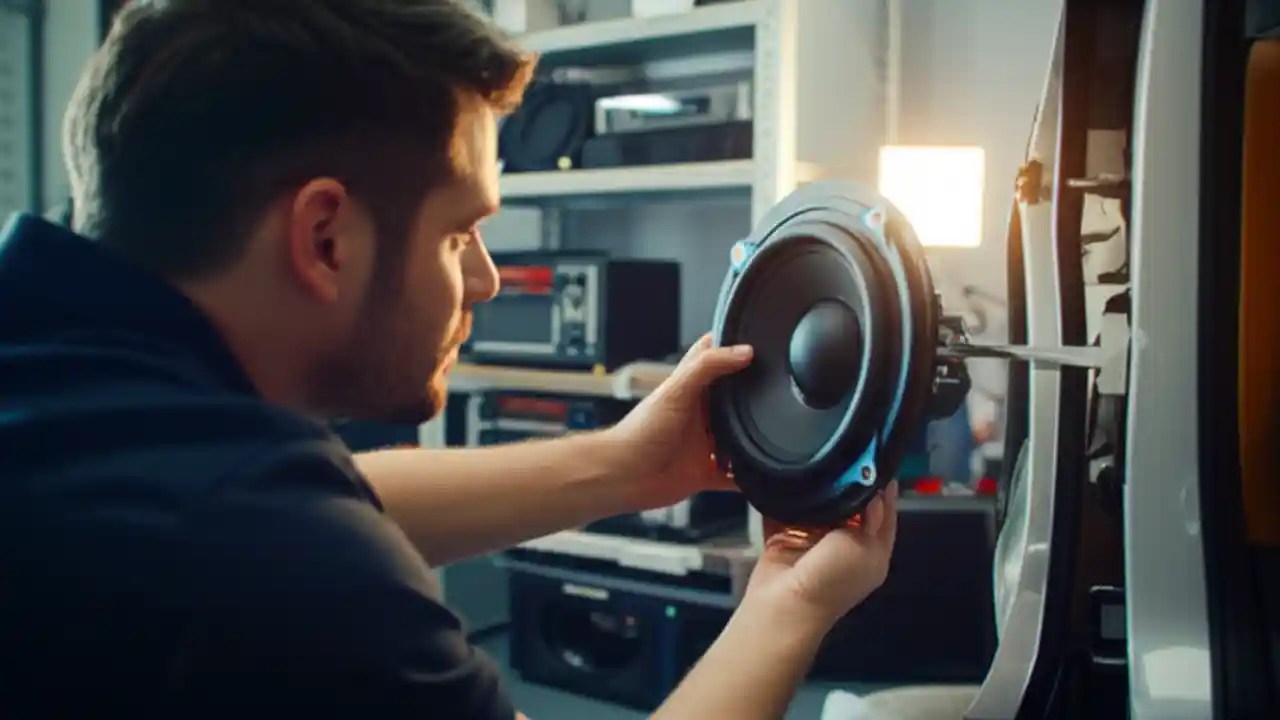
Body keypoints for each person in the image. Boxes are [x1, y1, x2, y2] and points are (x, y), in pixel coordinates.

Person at [0, 1, 898, 717]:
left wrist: (627, 464)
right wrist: (789, 603)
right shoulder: (271, 557)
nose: (486, 280)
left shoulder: (73, 401)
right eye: (460, 230)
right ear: (325, 238)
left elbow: (329, 497)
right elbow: (289, 534)